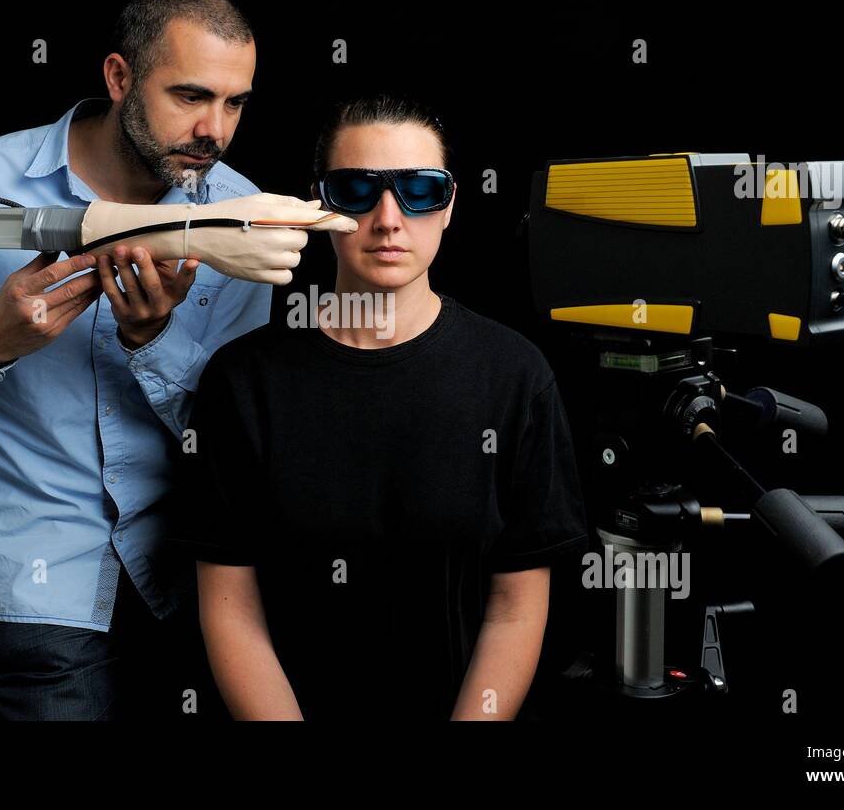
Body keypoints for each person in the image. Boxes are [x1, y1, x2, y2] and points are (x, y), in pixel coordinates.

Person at [0, 0, 329, 721]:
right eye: (191, 95)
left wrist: (153, 340)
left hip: (193, 582)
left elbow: (239, 442)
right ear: (118, 77)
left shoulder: (241, 217)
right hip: (38, 588)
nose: (214, 129)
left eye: (235, 103)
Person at [176, 94, 589, 720]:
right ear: (320, 206)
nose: (389, 218)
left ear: (449, 205)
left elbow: (517, 606)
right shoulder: (243, 381)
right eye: (357, 190)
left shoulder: (514, 376)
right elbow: (230, 605)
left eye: (420, 190)